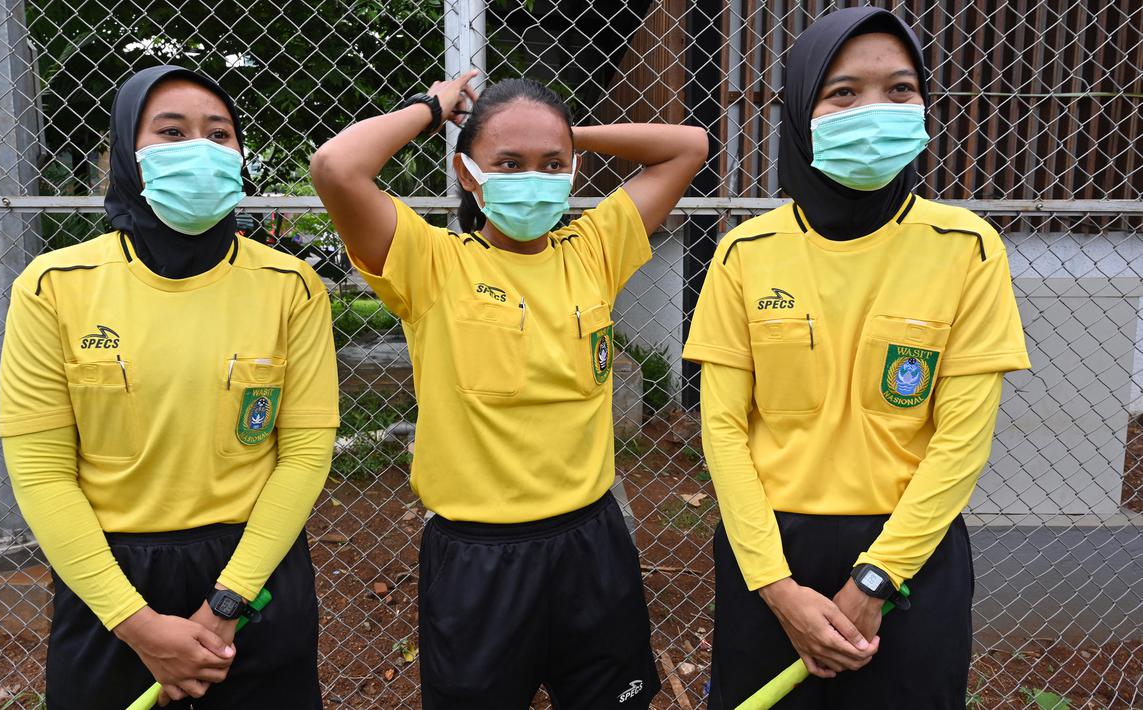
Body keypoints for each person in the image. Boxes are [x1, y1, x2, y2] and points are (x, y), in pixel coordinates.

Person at [311, 73, 707, 709]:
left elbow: (688, 144)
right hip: (478, 557)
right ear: (468, 174)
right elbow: (335, 166)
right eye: (509, 162)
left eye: (552, 164)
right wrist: (431, 107)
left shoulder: (595, 248)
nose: (533, 177)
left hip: (591, 542)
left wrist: (564, 131)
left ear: (574, 170)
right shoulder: (431, 263)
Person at [682, 7, 1030, 708]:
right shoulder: (744, 254)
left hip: (909, 561)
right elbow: (721, 429)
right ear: (801, 109)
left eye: (899, 89)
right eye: (843, 92)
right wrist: (779, 591)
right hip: (769, 555)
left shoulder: (964, 247)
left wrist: (877, 578)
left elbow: (960, 438)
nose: (874, 110)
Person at [0, 65, 338, 710]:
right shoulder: (52, 287)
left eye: (220, 133)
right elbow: (41, 474)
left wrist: (226, 604)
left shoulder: (291, 286)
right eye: (172, 131)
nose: (201, 150)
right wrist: (138, 624)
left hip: (255, 578)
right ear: (128, 151)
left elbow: (302, 455)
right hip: (110, 588)